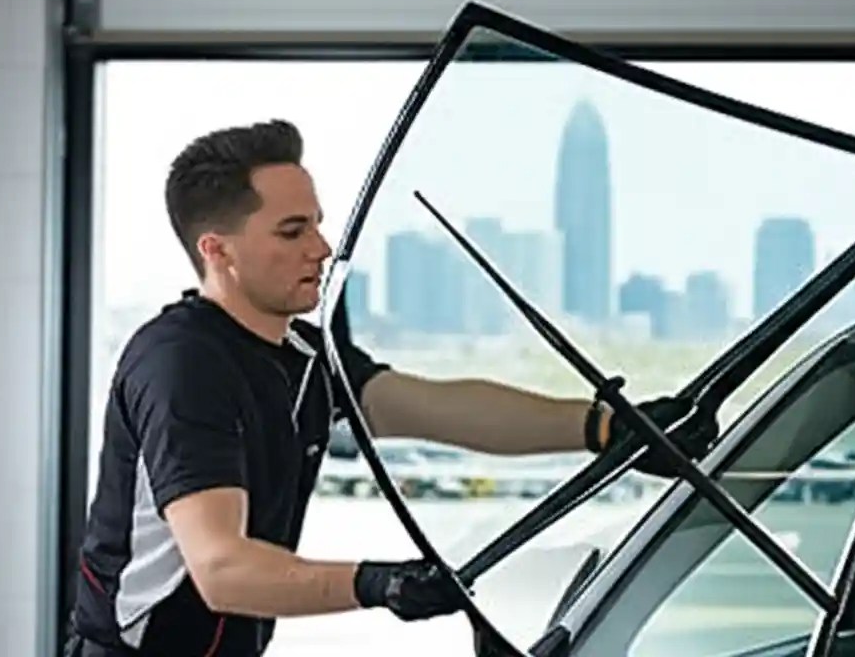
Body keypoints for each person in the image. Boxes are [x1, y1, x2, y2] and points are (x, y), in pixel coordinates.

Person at [65, 120, 715, 656]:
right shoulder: (184, 364)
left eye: (318, 224)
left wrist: (606, 427)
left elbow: (440, 406)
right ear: (219, 250)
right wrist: (380, 585)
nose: (321, 248)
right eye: (292, 231)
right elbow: (222, 571)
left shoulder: (300, 355)